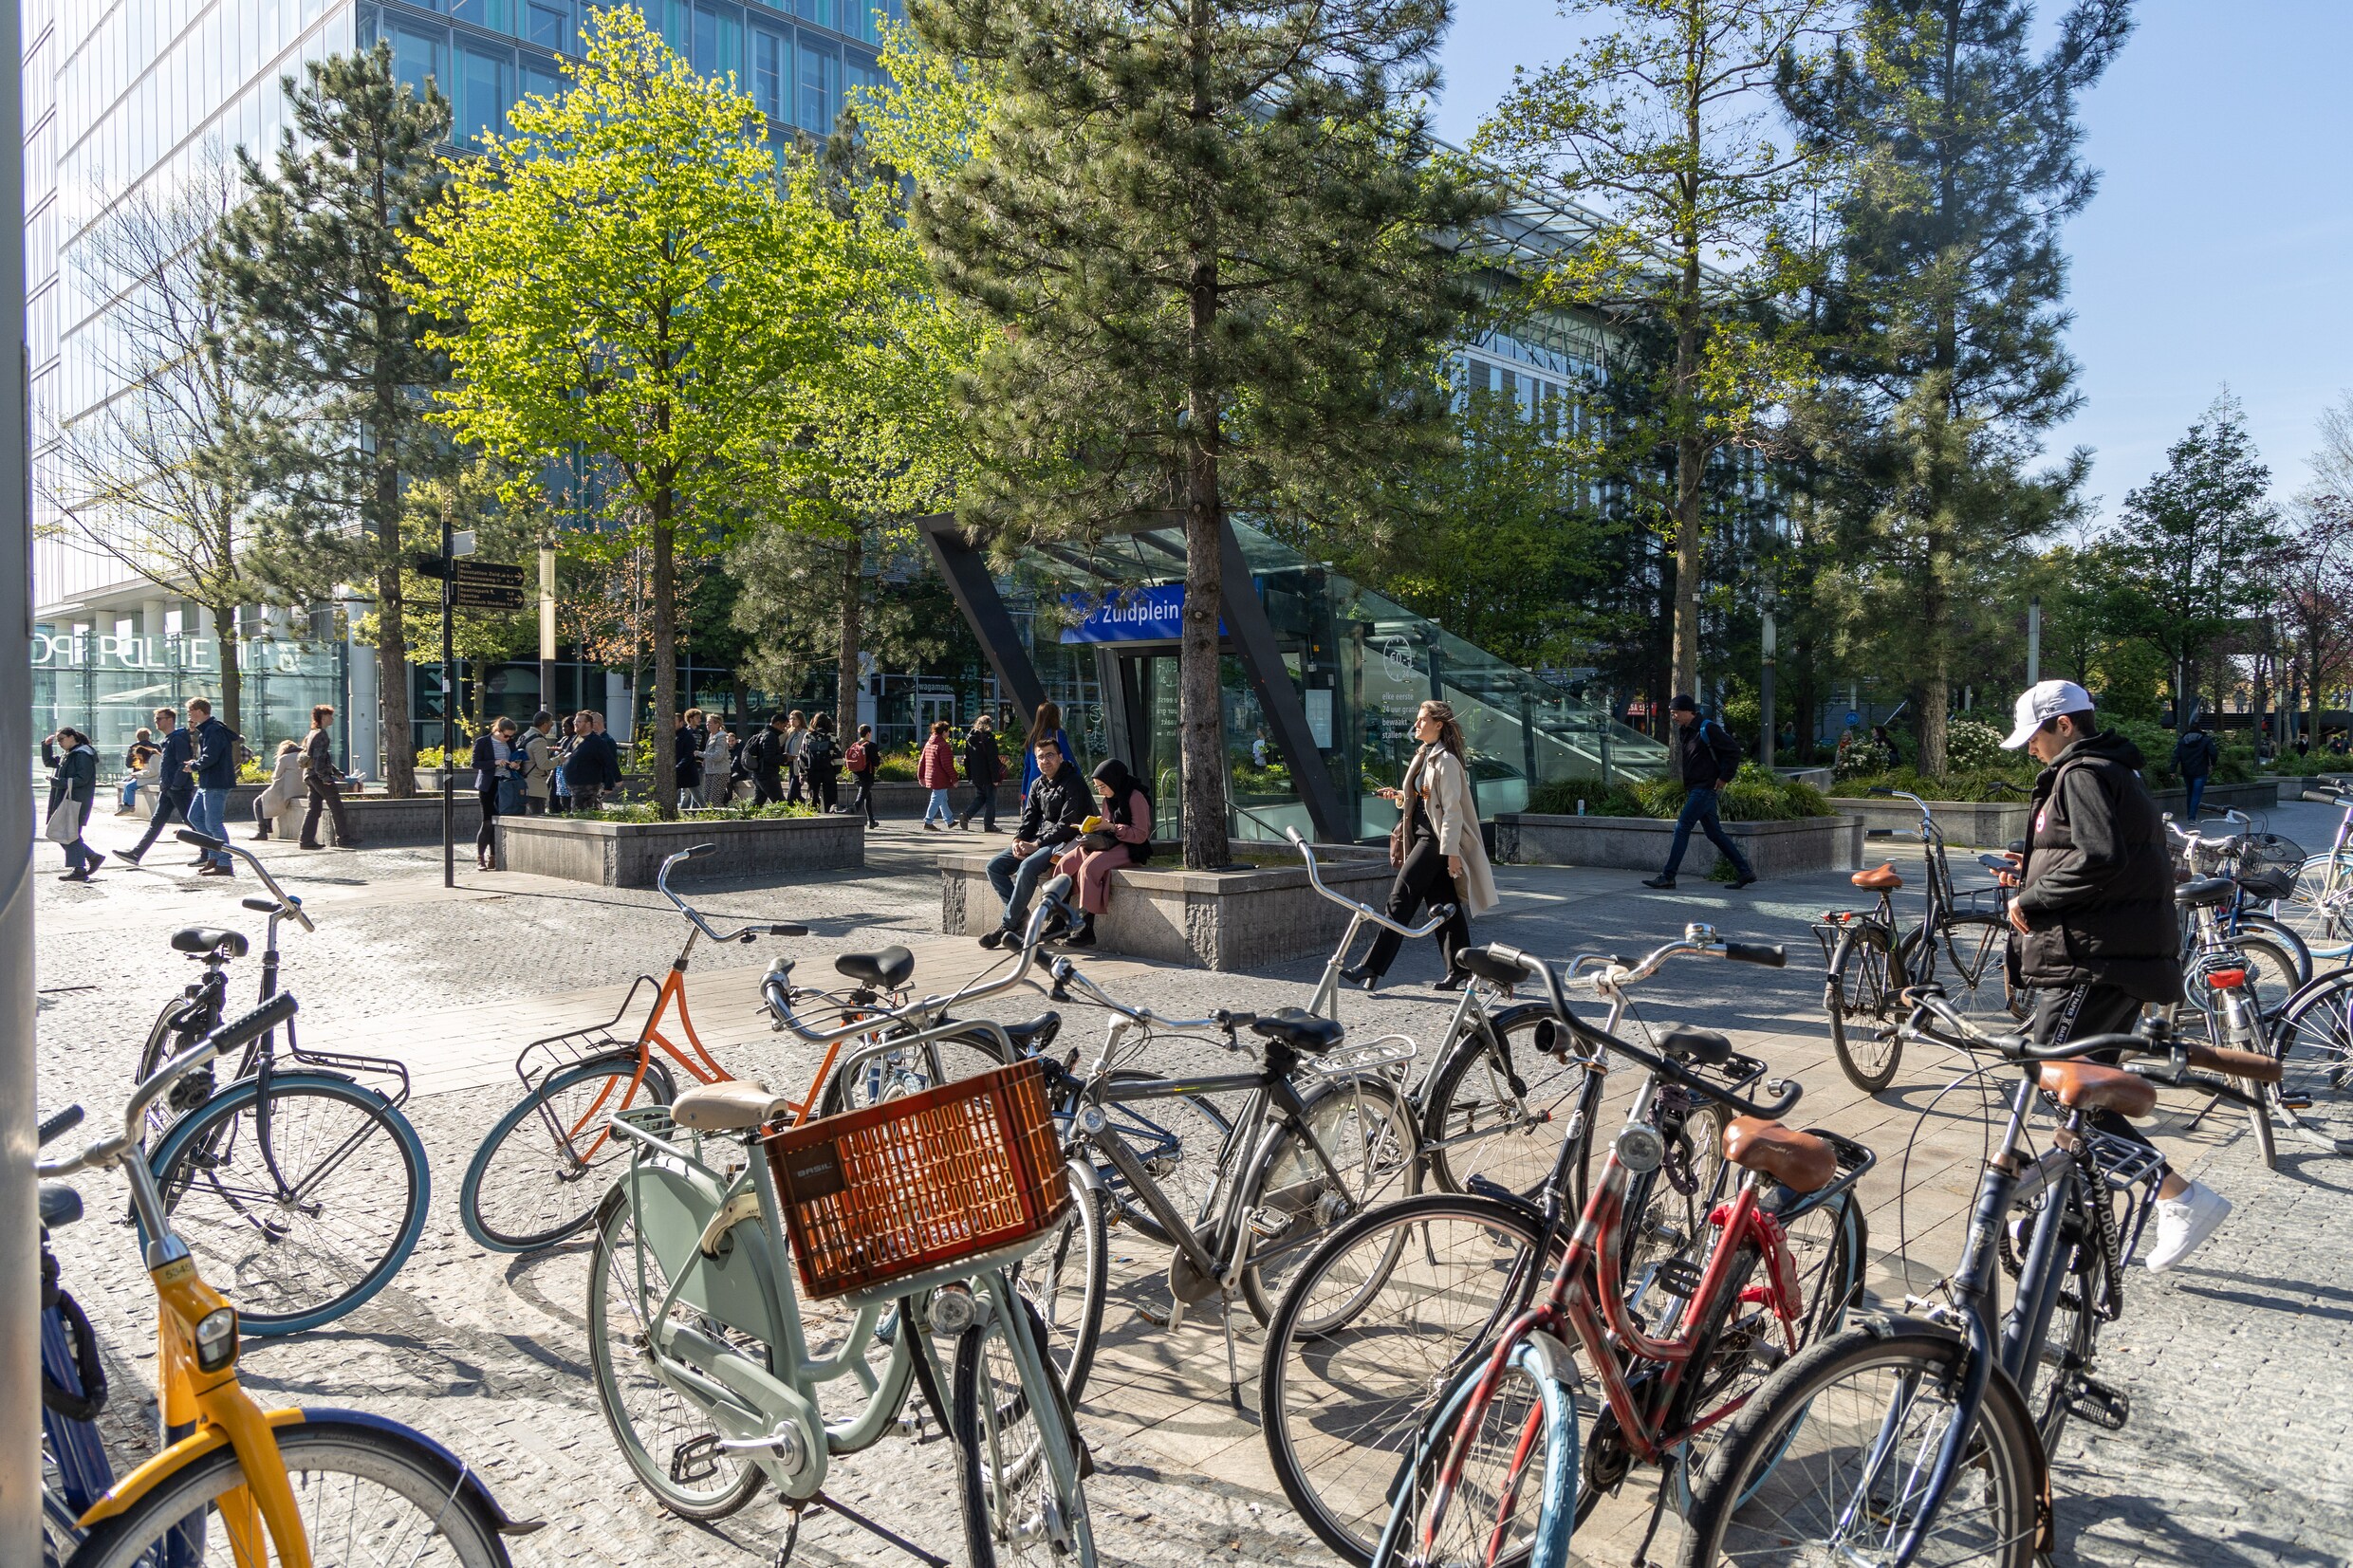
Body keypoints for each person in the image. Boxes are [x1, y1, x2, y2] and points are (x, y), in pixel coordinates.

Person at [1998, 678, 2229, 1272]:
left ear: (2065, 724)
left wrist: (2035, 898)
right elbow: (2097, 854)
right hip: (2112, 955)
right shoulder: (2109, 771)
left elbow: (2099, 857)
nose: (2031, 749)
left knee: (2056, 1078)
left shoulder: (2083, 774)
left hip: (2096, 961)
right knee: (2076, 1090)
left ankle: (2177, 1196)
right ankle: (2072, 1215)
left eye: (2035, 735)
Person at [1342, 700, 1497, 990]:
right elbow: (1427, 796)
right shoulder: (1425, 755)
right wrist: (1401, 796)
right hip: (1424, 837)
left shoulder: (1447, 761)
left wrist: (1451, 853)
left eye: (1422, 720)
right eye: (1417, 720)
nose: (1416, 725)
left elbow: (1452, 811)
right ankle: (1461, 970)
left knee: (1399, 899)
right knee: (1444, 906)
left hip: (1434, 840)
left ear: (1438, 725)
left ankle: (1371, 966)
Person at [977, 740, 1090, 948]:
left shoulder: (1074, 782)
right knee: (994, 867)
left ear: (1060, 757)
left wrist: (1035, 845)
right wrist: (1018, 840)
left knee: (1027, 867)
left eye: (1049, 755)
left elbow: (1067, 825)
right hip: (1040, 838)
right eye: (1040, 757)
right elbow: (1029, 818)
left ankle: (1007, 926)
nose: (1045, 760)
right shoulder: (1037, 783)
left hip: (1064, 841)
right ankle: (1020, 919)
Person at [1641, 695, 1758, 892]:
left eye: (1676, 712)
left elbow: (1734, 751)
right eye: (1671, 713)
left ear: (1689, 711)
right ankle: (1745, 871)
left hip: (1706, 787)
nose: (1674, 716)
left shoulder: (1708, 728)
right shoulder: (1684, 730)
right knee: (1714, 833)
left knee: (1682, 826)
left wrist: (1724, 778)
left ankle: (1668, 876)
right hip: (1696, 787)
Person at [1053, 758, 1154, 948]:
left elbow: (1140, 834)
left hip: (1131, 847)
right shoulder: (1110, 797)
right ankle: (1058, 919)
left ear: (1114, 780)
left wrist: (1112, 827)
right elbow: (1107, 823)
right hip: (1107, 841)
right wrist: (1092, 827)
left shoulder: (1135, 796)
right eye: (1097, 787)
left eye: (1102, 786)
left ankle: (1086, 929)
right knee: (1065, 863)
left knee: (1089, 867)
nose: (1100, 791)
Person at [121, 707, 193, 866]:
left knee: (191, 820)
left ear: (170, 720)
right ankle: (136, 854)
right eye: (156, 719)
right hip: (168, 788)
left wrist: (176, 786)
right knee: (156, 822)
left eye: (159, 719)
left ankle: (211, 852)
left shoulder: (178, 739)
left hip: (176, 789)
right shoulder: (167, 740)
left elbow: (184, 764)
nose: (156, 722)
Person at [184, 697, 237, 876]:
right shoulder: (207, 730)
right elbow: (209, 756)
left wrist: (194, 766)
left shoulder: (213, 730)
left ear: (199, 711)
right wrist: (196, 762)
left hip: (216, 782)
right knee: (195, 817)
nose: (189, 715)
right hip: (208, 782)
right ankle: (214, 857)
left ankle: (224, 862)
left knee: (213, 823)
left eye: (190, 711)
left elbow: (211, 757)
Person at [43, 727, 102, 881]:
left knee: (69, 834)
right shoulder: (69, 753)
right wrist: (46, 746)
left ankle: (80, 868)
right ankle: (92, 857)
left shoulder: (82, 754)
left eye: (61, 739)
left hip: (76, 800)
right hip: (67, 799)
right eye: (58, 740)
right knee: (65, 833)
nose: (60, 743)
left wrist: (58, 782)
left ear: (72, 737)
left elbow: (82, 778)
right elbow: (49, 762)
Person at [301, 704, 361, 848]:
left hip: (310, 775)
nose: (332, 718)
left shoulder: (312, 733)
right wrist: (326, 778)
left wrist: (336, 772)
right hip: (319, 776)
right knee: (336, 807)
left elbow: (320, 757)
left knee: (314, 809)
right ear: (323, 717)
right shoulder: (321, 735)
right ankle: (343, 839)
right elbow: (320, 759)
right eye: (330, 716)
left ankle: (306, 840)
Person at [471, 717, 521, 871]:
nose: (509, 739)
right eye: (506, 736)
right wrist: (494, 762)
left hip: (505, 784)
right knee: (487, 821)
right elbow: (475, 763)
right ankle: (480, 858)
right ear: (497, 731)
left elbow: (515, 759)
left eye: (511, 736)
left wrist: (515, 765)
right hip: (488, 785)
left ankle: (494, 856)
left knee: (499, 821)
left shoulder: (510, 743)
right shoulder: (483, 742)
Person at [560, 709, 621, 813]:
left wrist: (616, 779)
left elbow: (609, 760)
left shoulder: (596, 741)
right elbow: (569, 754)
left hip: (586, 785)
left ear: (588, 724)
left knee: (579, 815)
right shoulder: (576, 738)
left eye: (579, 722)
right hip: (573, 785)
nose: (575, 724)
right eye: (575, 722)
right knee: (582, 813)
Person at [1020, 701, 1078, 800]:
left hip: (1033, 784)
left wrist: (1024, 793)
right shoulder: (1058, 734)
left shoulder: (1032, 738)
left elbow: (1027, 768)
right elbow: (1068, 760)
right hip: (1053, 782)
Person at [251, 740, 306, 841]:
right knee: (268, 797)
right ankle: (268, 826)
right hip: (303, 790)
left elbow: (276, 776)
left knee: (259, 801)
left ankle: (262, 831)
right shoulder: (303, 756)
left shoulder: (284, 758)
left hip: (288, 792)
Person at [958, 714, 1004, 831]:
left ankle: (967, 815)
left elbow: (967, 759)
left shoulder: (970, 738)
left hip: (976, 775)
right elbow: (992, 760)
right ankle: (989, 825)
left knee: (981, 797)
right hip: (988, 775)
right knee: (990, 800)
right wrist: (996, 778)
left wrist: (970, 776)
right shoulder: (988, 738)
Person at [2170, 719, 2217, 821]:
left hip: (2187, 770)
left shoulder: (2182, 741)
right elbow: (2213, 753)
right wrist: (2211, 764)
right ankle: (2192, 817)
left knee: (2190, 793)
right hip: (2201, 771)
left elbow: (2176, 755)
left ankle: (2189, 815)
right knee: (2196, 794)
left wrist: (2172, 770)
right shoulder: (2206, 740)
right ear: (2200, 729)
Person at [918, 719, 958, 829]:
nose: (949, 734)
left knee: (942, 798)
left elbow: (922, 761)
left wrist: (921, 776)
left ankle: (949, 820)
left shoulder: (929, 743)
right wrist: (954, 779)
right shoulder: (943, 746)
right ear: (944, 732)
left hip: (931, 776)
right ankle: (928, 821)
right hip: (940, 777)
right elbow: (947, 765)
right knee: (936, 798)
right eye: (948, 731)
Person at [517, 710, 557, 818]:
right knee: (537, 818)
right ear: (544, 724)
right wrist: (559, 760)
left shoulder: (524, 736)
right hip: (535, 787)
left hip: (523, 783)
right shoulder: (539, 740)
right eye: (551, 724)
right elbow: (543, 765)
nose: (551, 727)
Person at [749, 712, 790, 806]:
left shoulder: (763, 733)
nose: (784, 729)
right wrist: (785, 757)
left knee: (757, 802)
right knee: (780, 803)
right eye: (784, 726)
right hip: (768, 775)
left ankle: (745, 818)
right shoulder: (770, 736)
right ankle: (787, 821)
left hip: (759, 774)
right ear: (778, 723)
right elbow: (769, 758)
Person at [803, 713, 842, 812]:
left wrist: (801, 772)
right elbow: (837, 756)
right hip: (828, 770)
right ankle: (831, 815)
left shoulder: (808, 736)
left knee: (814, 796)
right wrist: (838, 773)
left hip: (813, 770)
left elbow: (802, 755)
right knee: (830, 797)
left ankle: (815, 817)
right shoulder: (833, 737)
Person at [844, 722, 880, 826]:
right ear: (869, 733)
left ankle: (872, 821)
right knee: (860, 800)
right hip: (867, 776)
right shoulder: (871, 745)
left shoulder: (855, 745)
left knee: (867, 797)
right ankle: (849, 813)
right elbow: (876, 762)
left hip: (855, 776)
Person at [674, 708, 706, 812]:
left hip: (687, 769)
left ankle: (706, 812)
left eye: (674, 722)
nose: (700, 720)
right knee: (688, 795)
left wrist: (677, 768)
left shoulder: (687, 736)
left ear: (681, 723)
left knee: (697, 795)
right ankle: (688, 812)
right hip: (684, 769)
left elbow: (688, 755)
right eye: (697, 718)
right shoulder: (678, 734)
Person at [118, 728, 155, 813]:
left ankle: (127, 805)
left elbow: (128, 764)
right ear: (149, 737)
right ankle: (127, 805)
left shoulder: (134, 747)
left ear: (137, 737)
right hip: (147, 774)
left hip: (142, 775)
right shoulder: (156, 747)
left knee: (126, 783)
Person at [700, 714, 733, 807]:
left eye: (709, 722)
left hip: (720, 772)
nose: (707, 724)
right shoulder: (711, 736)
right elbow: (710, 753)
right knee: (706, 799)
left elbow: (718, 756)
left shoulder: (721, 737)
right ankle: (710, 818)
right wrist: (705, 760)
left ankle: (721, 819)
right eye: (707, 722)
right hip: (710, 771)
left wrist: (701, 754)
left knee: (714, 800)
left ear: (717, 724)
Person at [781, 710, 808, 804]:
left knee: (792, 793)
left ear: (800, 720)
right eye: (790, 718)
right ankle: (806, 805)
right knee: (796, 794)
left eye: (794, 718)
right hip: (791, 764)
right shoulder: (790, 732)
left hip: (800, 765)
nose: (791, 721)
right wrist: (785, 732)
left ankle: (790, 807)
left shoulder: (805, 733)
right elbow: (780, 742)